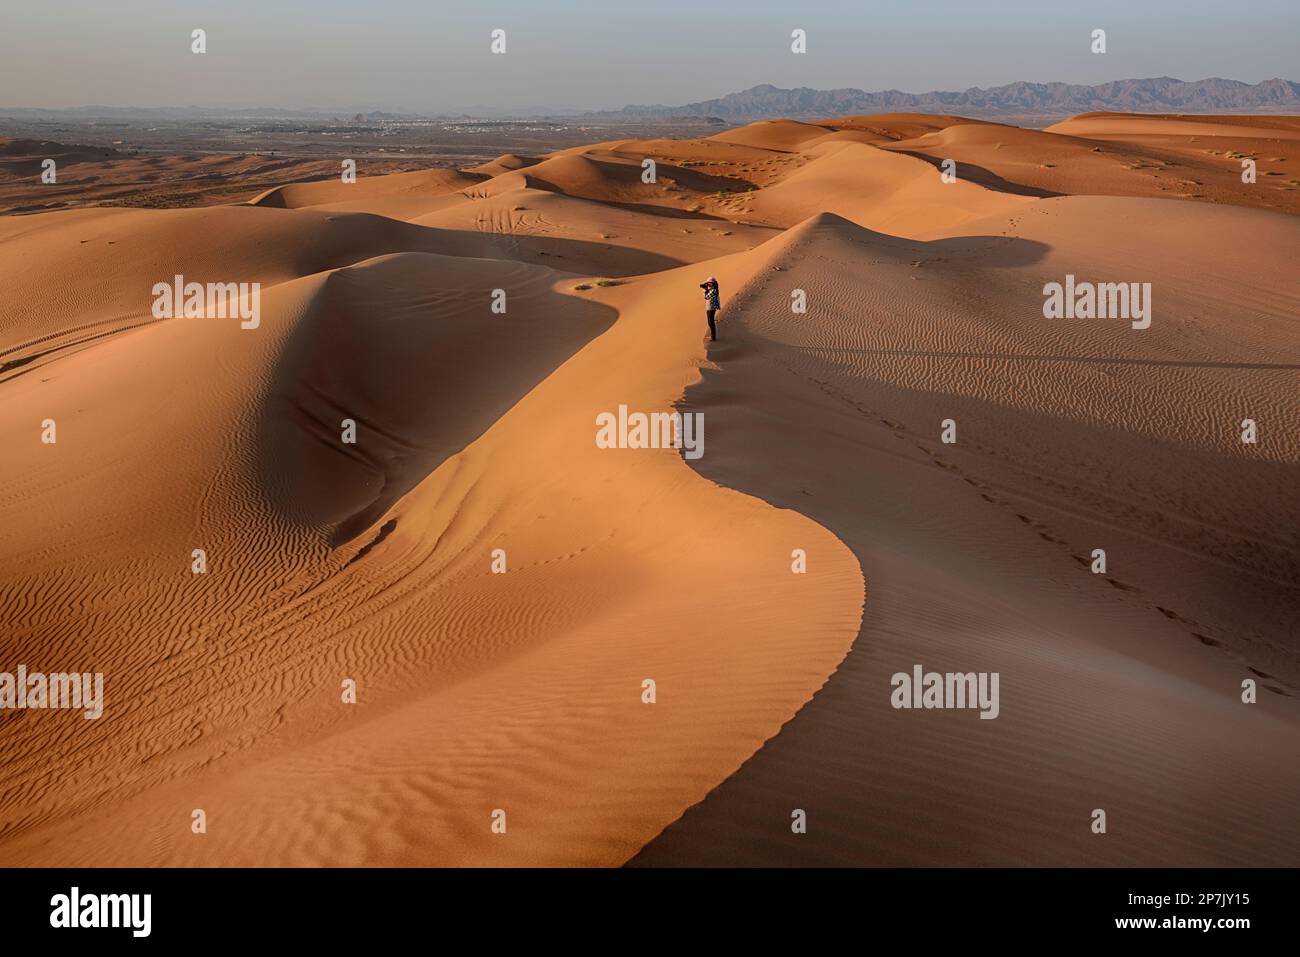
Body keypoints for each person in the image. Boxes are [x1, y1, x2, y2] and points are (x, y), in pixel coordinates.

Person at [699, 276, 720, 341]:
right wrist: (706, 289)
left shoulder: (713, 290)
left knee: (711, 323)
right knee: (710, 322)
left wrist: (705, 289)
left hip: (711, 308)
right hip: (710, 308)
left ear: (713, 283)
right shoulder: (712, 289)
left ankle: (713, 337)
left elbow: (706, 297)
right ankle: (712, 336)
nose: (708, 284)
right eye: (708, 283)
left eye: (709, 283)